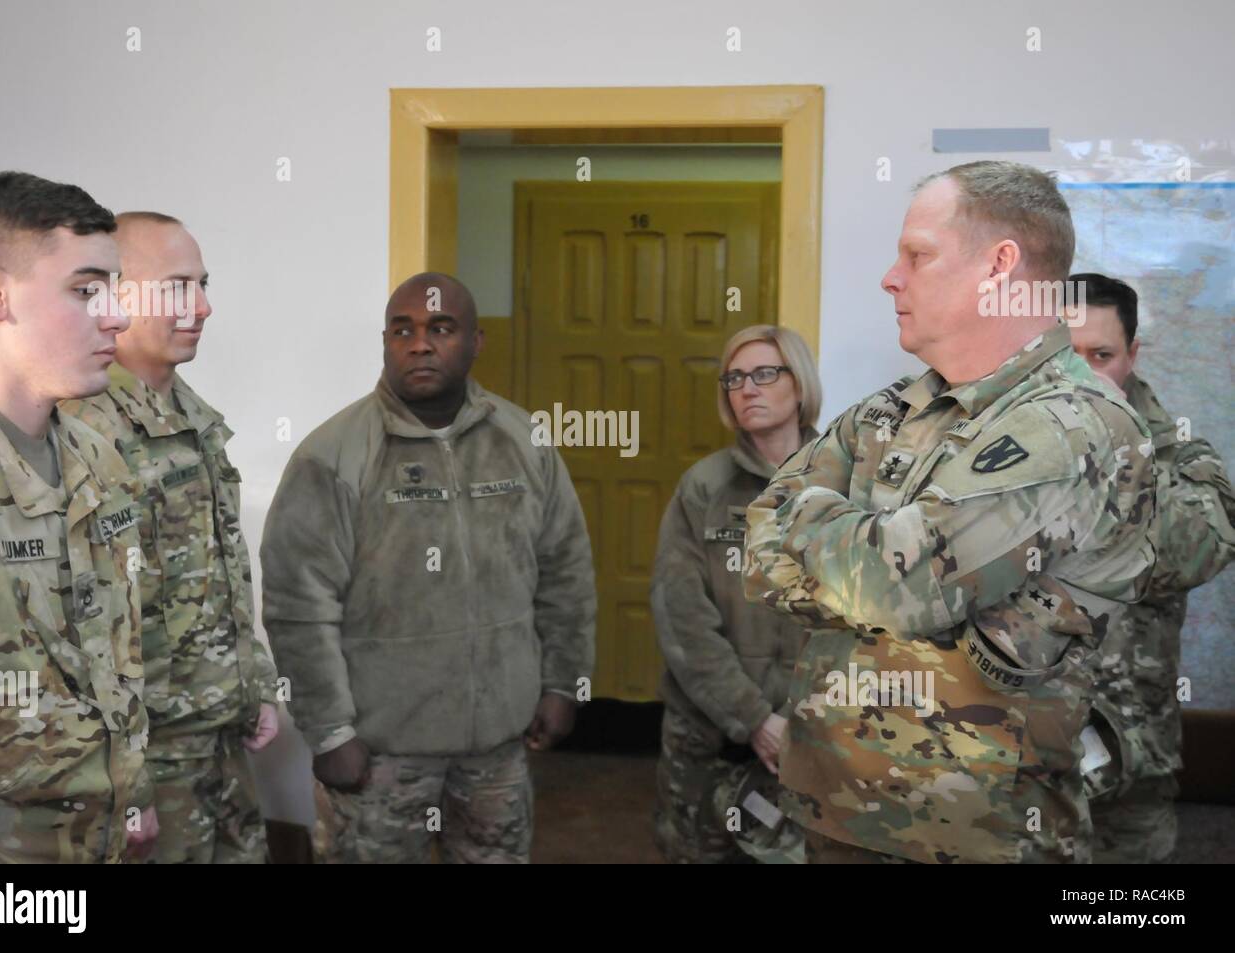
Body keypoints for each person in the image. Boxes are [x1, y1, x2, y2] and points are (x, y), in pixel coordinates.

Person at [744, 160, 1156, 864]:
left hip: (979, 834)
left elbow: (895, 587)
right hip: (838, 813)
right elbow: (757, 549)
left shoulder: (1070, 425)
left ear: (999, 267)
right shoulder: (895, 406)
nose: (890, 277)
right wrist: (860, 549)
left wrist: (817, 522)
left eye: (918, 255)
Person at [261, 272, 595, 863]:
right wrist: (330, 731)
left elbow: (565, 572)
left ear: (475, 342)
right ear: (386, 342)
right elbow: (299, 608)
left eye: (441, 328)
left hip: (497, 750)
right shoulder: (332, 455)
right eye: (403, 330)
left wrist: (563, 682)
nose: (420, 344)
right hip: (381, 757)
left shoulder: (526, 442)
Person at [0, 171, 156, 862]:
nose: (117, 315)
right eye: (86, 290)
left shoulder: (97, 453)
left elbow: (115, 650)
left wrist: (129, 787)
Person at [62, 212, 280, 863]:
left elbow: (224, 570)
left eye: (203, 284)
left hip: (220, 733)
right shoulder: (78, 433)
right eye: (178, 286)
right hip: (147, 756)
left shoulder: (193, 417)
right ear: (115, 293)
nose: (204, 306)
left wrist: (255, 681)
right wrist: (123, 781)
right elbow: (78, 626)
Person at [1067, 272, 1235, 863]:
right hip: (1018, 766)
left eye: (1102, 355)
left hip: (1131, 767)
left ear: (1132, 356)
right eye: (1067, 354)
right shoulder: (996, 452)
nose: (1084, 373)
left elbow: (1189, 550)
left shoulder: (1184, 458)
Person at [651, 325, 820, 863]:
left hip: (812, 743)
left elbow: (869, 621)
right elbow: (683, 620)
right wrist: (753, 719)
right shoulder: (703, 488)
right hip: (710, 743)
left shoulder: (847, 487)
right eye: (735, 378)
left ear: (800, 384)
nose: (748, 388)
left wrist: (798, 721)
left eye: (766, 373)